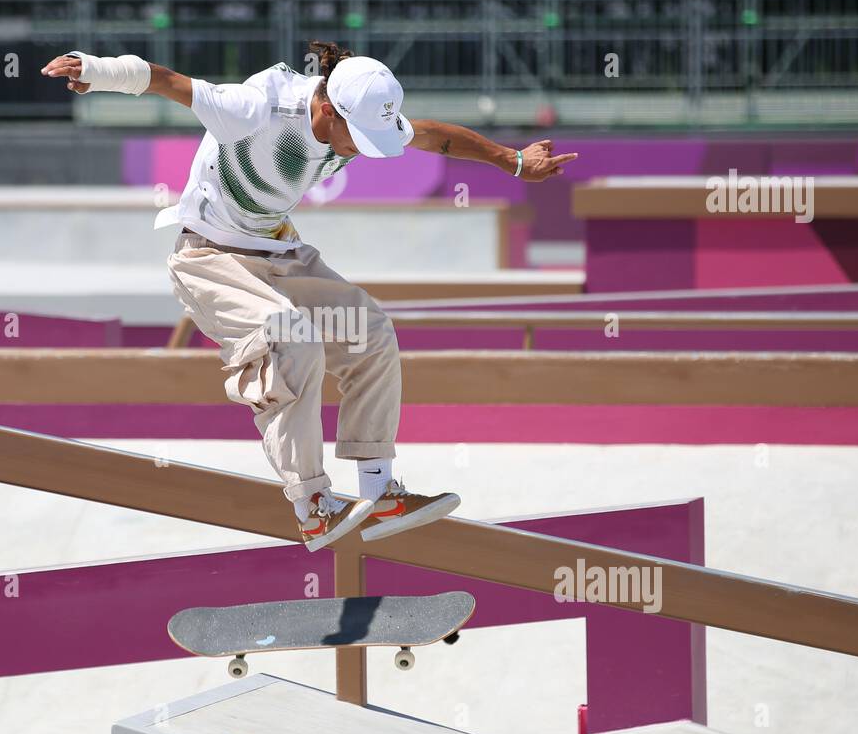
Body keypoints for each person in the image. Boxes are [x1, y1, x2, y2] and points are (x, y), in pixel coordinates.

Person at [42, 42, 577, 551]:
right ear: (325, 106)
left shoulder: (360, 108)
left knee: (370, 333)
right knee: (294, 341)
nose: (357, 151)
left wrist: (512, 161)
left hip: (279, 256)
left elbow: (435, 138)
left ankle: (379, 491)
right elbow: (167, 82)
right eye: (354, 139)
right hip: (210, 260)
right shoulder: (255, 107)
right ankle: (313, 504)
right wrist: (96, 70)